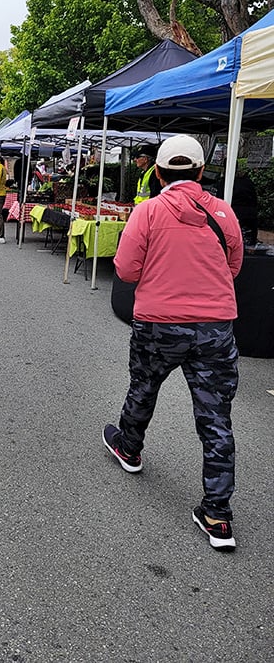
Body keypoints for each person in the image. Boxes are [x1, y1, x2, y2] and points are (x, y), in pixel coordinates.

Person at [103, 134, 243, 552]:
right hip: (215, 326)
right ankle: (217, 513)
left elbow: (126, 270)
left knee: (144, 387)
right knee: (216, 415)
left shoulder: (147, 211)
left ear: (159, 173)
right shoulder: (223, 212)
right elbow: (233, 265)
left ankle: (129, 448)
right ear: (202, 172)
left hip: (158, 324)